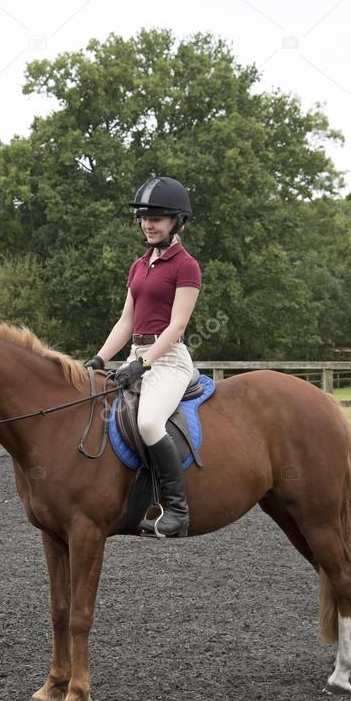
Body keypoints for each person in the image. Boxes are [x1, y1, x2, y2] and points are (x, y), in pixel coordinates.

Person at [85, 177, 201, 538]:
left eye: (158, 218)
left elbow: (177, 325)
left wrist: (144, 362)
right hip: (139, 356)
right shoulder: (139, 265)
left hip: (168, 361)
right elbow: (126, 322)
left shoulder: (186, 266)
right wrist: (99, 360)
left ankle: (177, 510)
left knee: (150, 422)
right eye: (144, 218)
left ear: (176, 222)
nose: (148, 224)